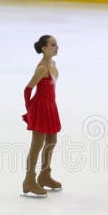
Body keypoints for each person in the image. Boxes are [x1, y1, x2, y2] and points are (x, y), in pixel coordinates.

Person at [22, 35, 62, 197]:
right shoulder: (42, 68)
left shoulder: (53, 63)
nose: (57, 47)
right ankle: (29, 180)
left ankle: (44, 175)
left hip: (51, 106)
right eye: (53, 45)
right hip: (41, 108)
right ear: (44, 49)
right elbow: (27, 89)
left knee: (52, 141)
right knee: (37, 145)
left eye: (56, 44)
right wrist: (30, 109)